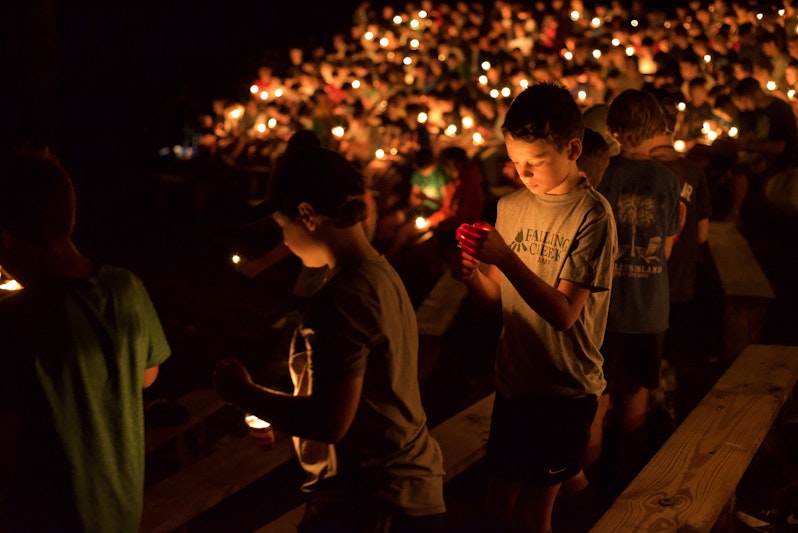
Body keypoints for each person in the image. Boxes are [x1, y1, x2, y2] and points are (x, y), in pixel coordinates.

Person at [213, 147, 446, 532]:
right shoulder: (381, 274)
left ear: (306, 215)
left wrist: (240, 392)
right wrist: (281, 414)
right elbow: (361, 398)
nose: (283, 239)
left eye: (281, 225)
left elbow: (330, 421)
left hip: (371, 501)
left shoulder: (341, 299)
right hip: (403, 488)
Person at [453, 82, 617, 533]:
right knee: (497, 502)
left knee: (532, 515)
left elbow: (565, 314)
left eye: (536, 162)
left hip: (563, 387)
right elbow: (496, 300)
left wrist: (504, 256)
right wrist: (470, 274)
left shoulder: (593, 216)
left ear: (573, 148)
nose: (523, 173)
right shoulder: (510, 206)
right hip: (514, 381)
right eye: (515, 161)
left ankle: (596, 510)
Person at [0, 148, 171, 532]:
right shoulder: (127, 287)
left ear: (5, 238)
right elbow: (148, 376)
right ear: (69, 215)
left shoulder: (16, 319)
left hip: (46, 517)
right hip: (119, 510)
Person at [596, 89, 682, 486]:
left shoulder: (600, 175)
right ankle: (628, 480)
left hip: (603, 309)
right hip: (649, 308)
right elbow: (662, 249)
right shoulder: (667, 180)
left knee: (597, 399)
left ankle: (587, 485)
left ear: (612, 129)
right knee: (637, 395)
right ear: (657, 129)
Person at [728, 76, 798, 224]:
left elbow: (780, 147)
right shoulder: (756, 111)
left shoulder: (780, 110)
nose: (744, 106)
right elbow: (757, 134)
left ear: (752, 95)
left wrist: (749, 146)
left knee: (740, 169)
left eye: (744, 101)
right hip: (759, 153)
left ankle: (736, 212)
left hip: (781, 158)